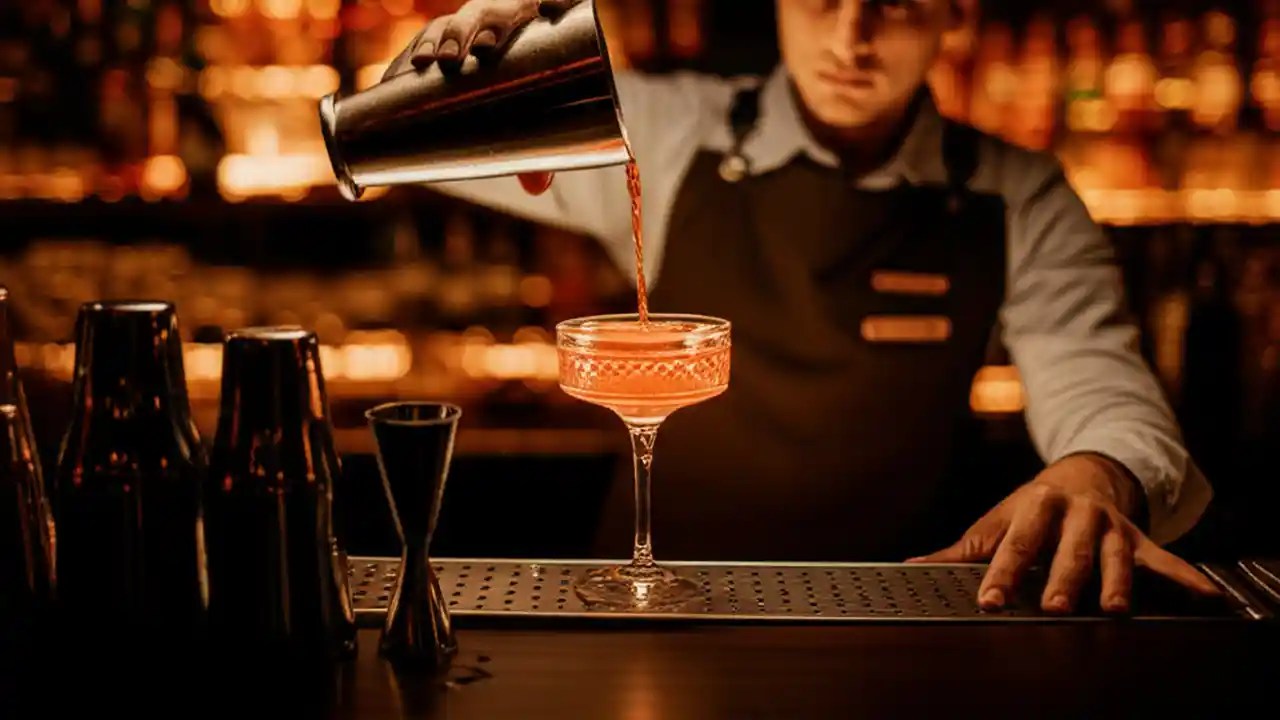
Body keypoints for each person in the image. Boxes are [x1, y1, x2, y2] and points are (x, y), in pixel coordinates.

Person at [382, 0, 1221, 614]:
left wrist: (1097, 472)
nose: (852, 35)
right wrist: (470, 66)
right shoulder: (668, 133)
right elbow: (388, 144)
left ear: (956, 13)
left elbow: (1107, 390)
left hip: (890, 625)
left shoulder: (1018, 196)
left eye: (895, 6)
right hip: (643, 610)